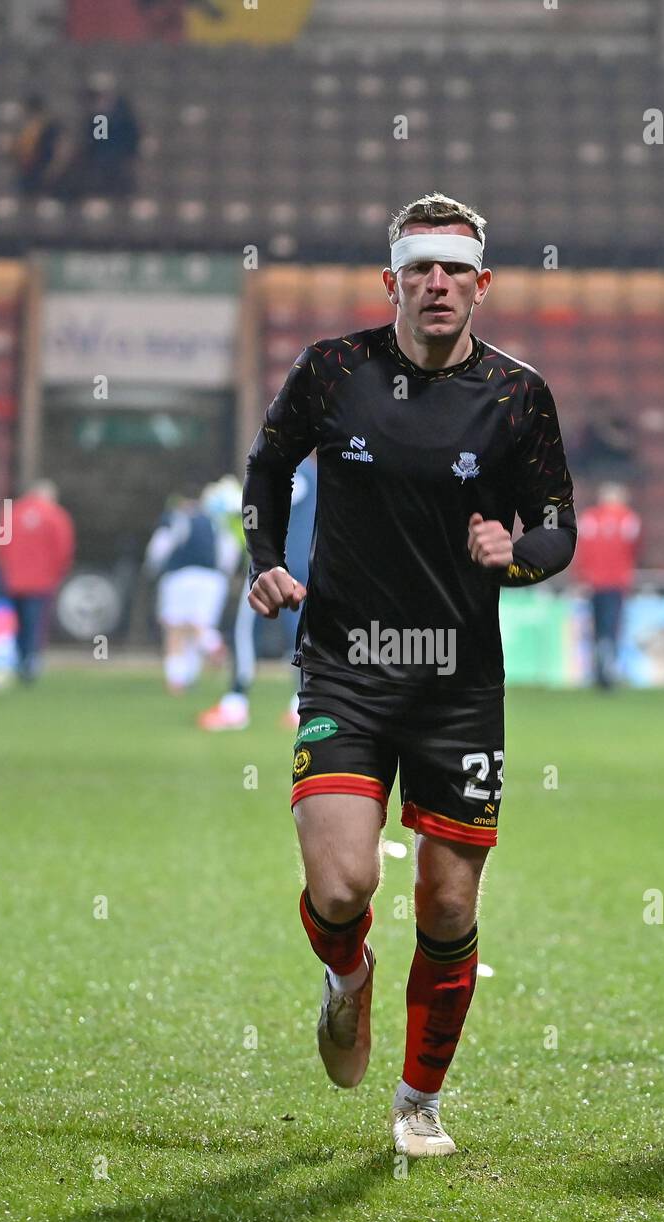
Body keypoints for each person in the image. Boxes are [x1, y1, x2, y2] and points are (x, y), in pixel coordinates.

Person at [243, 192, 576, 1157]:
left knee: (449, 903)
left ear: (483, 285)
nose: (438, 285)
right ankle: (348, 976)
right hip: (345, 666)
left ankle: (418, 1102)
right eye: (420, 269)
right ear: (392, 281)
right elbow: (266, 468)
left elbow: (559, 526)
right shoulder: (333, 371)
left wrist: (511, 553)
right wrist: (262, 554)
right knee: (344, 885)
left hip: (459, 686)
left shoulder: (518, 397)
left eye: (456, 270)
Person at [199, 460, 317, 732]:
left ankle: (236, 703)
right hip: (302, 565)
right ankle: (300, 707)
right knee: (301, 637)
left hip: (274, 566)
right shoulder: (310, 472)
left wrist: (230, 502)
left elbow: (271, 502)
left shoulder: (293, 468)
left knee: (247, 629)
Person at [145, 491, 239, 694]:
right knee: (199, 623)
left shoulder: (176, 518)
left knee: (175, 629)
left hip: (179, 576)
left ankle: (177, 680)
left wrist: (152, 569)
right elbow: (229, 550)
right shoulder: (216, 521)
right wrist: (224, 574)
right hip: (212, 579)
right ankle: (207, 647)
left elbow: (160, 546)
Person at [0, 479, 75, 681]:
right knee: (35, 624)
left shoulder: (12, 513)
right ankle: (31, 663)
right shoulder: (56, 516)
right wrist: (58, 574)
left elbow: (0, 546)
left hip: (14, 580)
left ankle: (19, 659)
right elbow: (63, 549)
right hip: (41, 582)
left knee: (18, 623)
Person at [573, 481, 640, 689]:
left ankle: (597, 669)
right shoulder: (629, 519)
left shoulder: (590, 518)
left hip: (593, 582)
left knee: (597, 626)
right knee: (612, 627)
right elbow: (634, 550)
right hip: (616, 583)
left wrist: (581, 579)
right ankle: (608, 670)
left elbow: (582, 551)